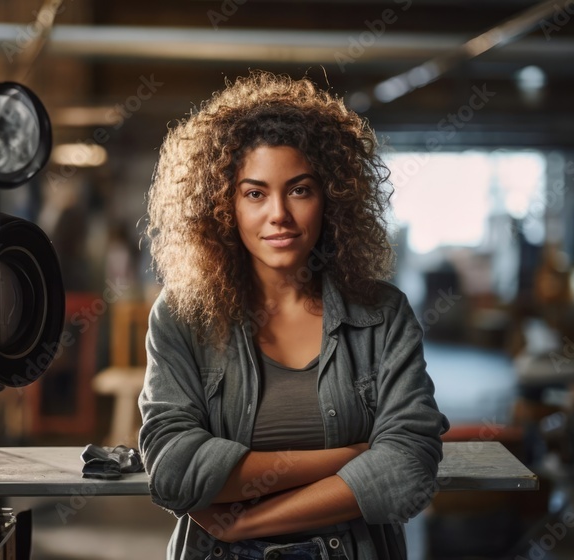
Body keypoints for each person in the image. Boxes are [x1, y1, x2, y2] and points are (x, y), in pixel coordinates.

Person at [139, 71, 449, 560]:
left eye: (300, 190)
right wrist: (351, 458)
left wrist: (246, 523)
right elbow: (174, 471)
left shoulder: (383, 315)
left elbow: (408, 471)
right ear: (224, 205)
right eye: (255, 193)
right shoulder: (182, 316)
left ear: (332, 199)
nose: (279, 213)